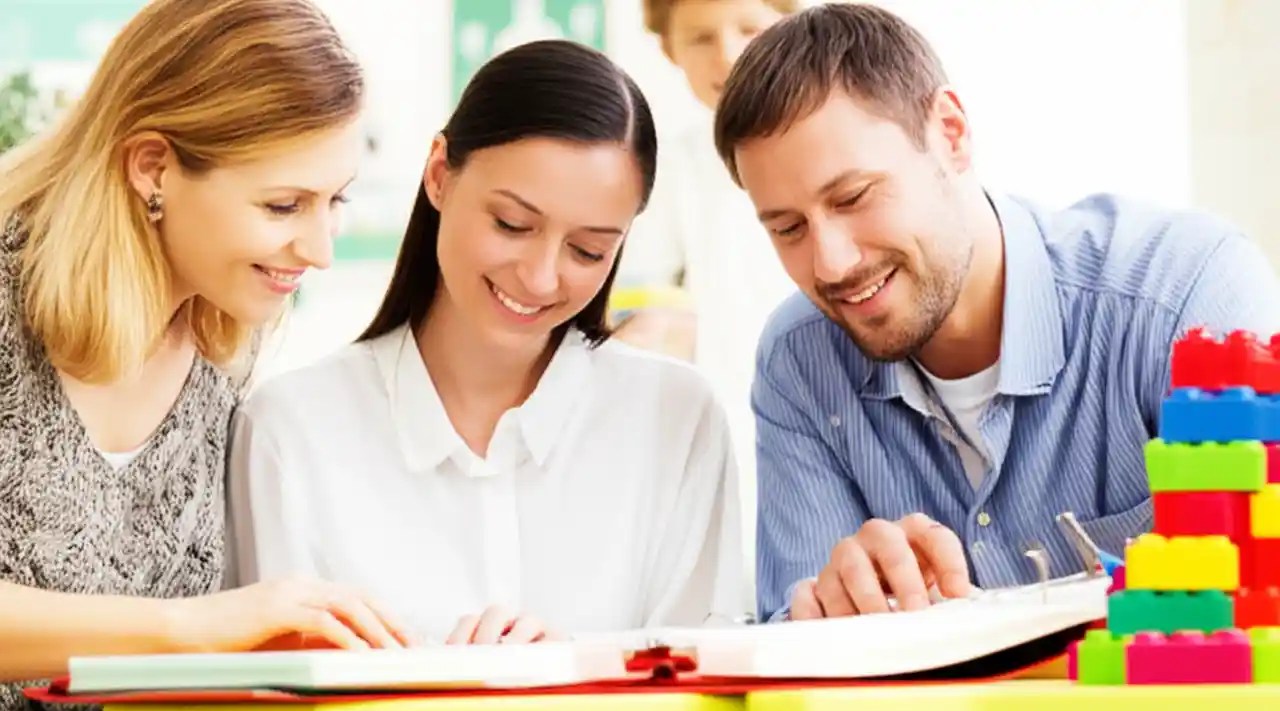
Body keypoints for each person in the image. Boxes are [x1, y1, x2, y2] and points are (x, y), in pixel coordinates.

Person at [711, 2, 1280, 622]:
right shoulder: (799, 363)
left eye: (853, 197)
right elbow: (797, 655)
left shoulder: (1184, 296)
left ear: (950, 135)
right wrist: (828, 620)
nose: (830, 264)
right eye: (788, 228)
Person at [226, 39, 746, 644]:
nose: (541, 277)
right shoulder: (292, 431)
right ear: (440, 175)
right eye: (512, 225)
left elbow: (706, 684)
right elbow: (271, 695)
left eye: (589, 250)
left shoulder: (677, 419)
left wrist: (570, 690)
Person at [0, 1, 410, 711]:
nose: (320, 250)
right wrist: (192, 627)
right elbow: (184, 627)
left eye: (334, 200)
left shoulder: (224, 343)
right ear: (152, 166)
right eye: (284, 206)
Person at [612, 0, 799, 594]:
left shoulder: (837, 151)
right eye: (699, 39)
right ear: (668, 51)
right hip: (725, 437)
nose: (727, 54)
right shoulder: (665, 175)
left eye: (749, 28)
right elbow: (646, 314)